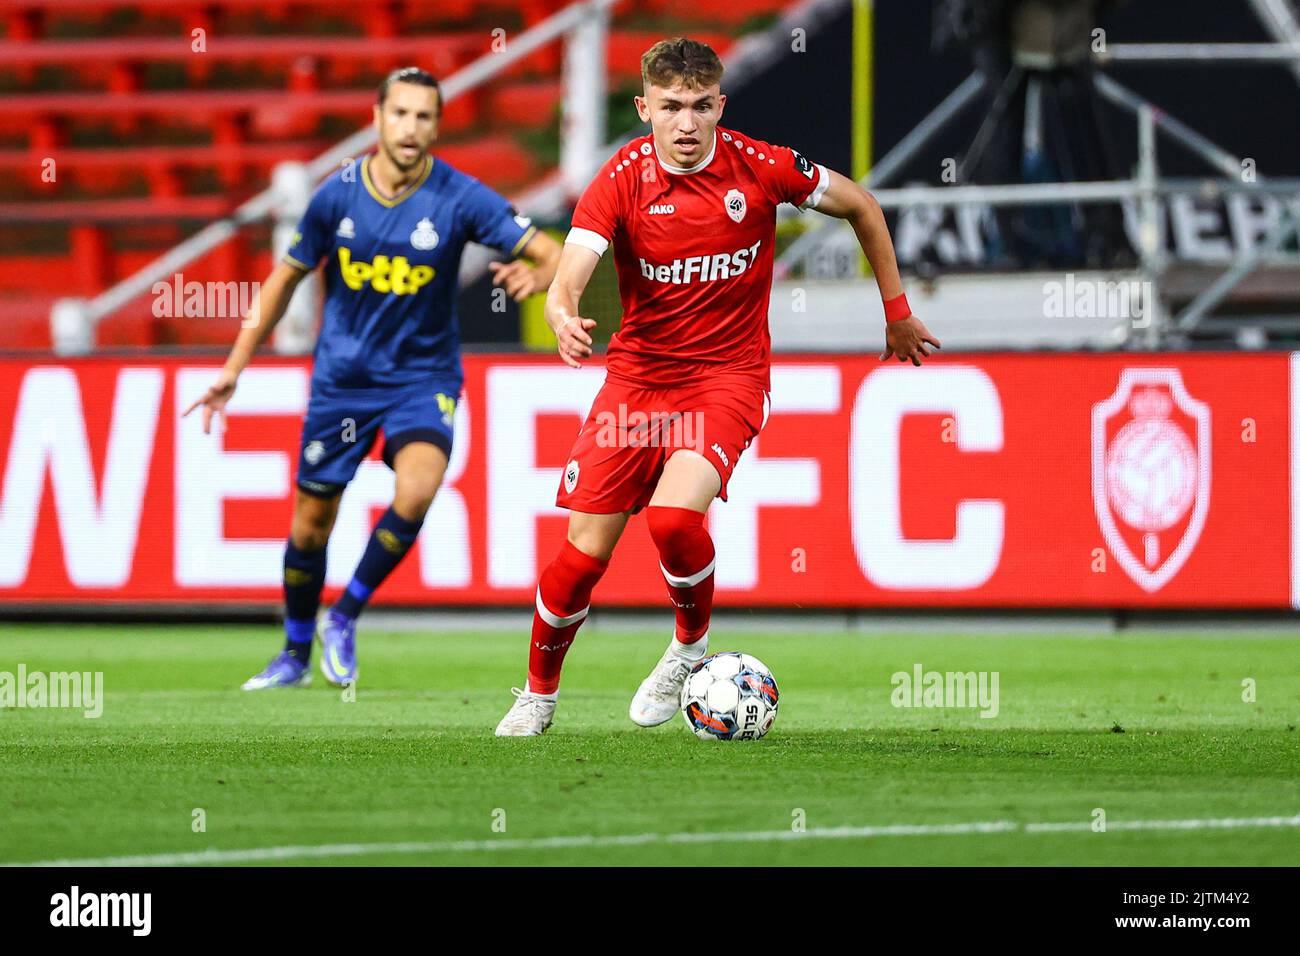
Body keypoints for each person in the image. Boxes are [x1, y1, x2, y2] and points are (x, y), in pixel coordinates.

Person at [494, 38, 939, 736]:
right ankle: (538, 696)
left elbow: (862, 204)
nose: (687, 122)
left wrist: (897, 311)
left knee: (673, 521)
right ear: (644, 107)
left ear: (721, 105)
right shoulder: (620, 178)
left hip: (727, 379)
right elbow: (571, 272)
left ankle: (688, 648)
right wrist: (560, 313)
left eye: (701, 106)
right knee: (580, 558)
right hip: (637, 383)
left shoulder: (761, 166)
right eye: (671, 106)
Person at [185, 66, 561, 690]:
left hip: (423, 378)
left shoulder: (460, 196)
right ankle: (293, 654)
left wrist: (544, 275)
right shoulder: (336, 196)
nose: (410, 127)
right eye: (400, 114)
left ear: (436, 126)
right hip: (343, 382)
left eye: (423, 116)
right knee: (311, 524)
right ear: (378, 118)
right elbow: (284, 280)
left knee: (418, 488)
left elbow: (550, 251)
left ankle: (345, 614)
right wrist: (234, 368)